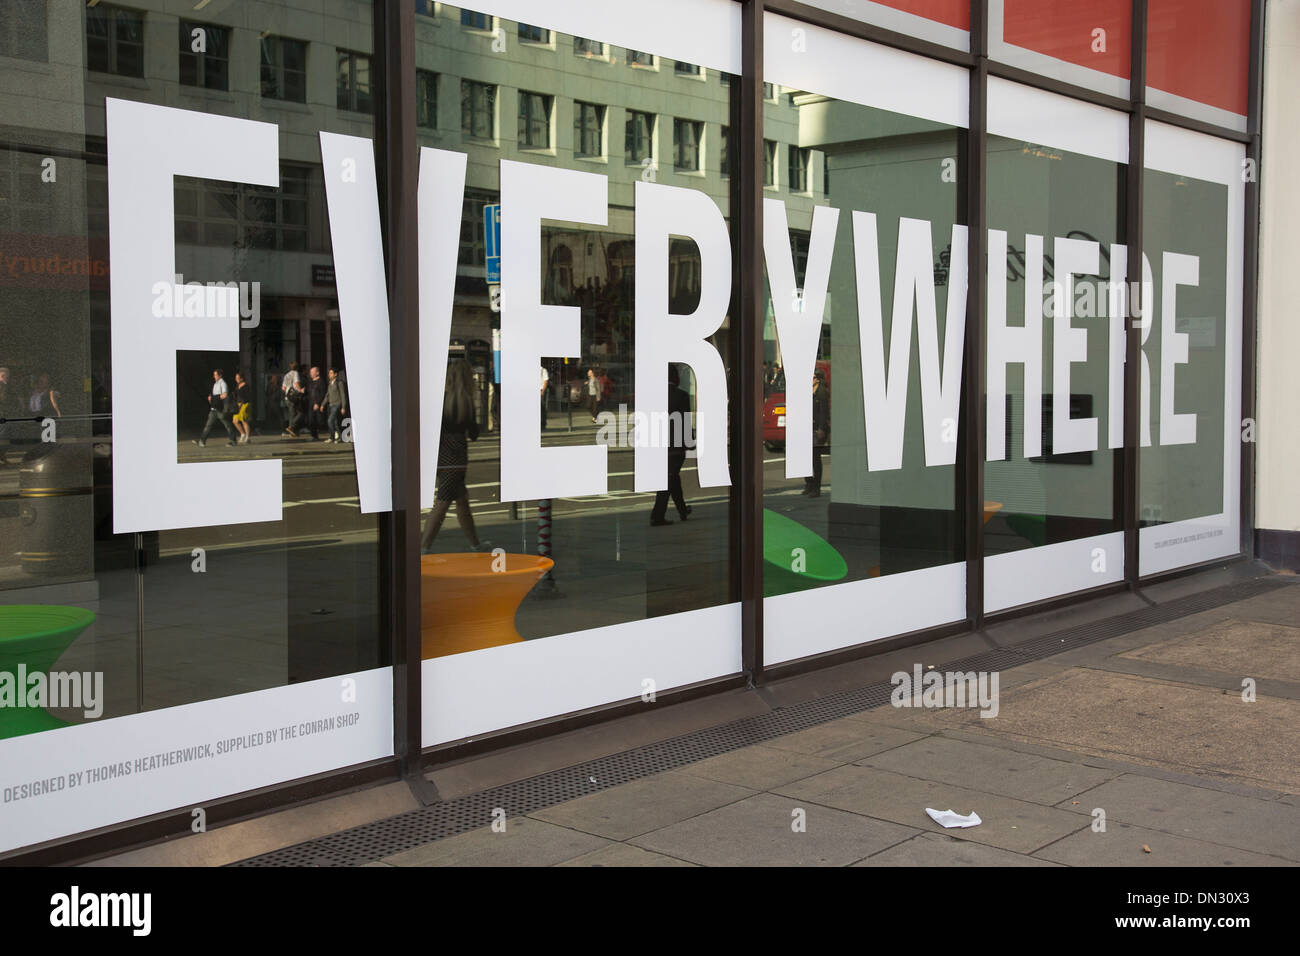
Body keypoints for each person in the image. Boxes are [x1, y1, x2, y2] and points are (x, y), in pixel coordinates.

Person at [420, 359, 482, 552]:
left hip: (442, 454)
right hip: (458, 455)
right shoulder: (466, 401)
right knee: (444, 501)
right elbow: (473, 434)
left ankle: (475, 544)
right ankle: (423, 547)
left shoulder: (441, 400)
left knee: (462, 500)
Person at [650, 365, 693, 526]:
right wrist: (690, 442)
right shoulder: (682, 395)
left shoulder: (655, 397)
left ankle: (683, 510)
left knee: (672, 477)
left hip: (658, 444)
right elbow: (685, 422)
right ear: (675, 377)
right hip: (676, 445)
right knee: (669, 478)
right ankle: (657, 515)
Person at [193, 368, 238, 448]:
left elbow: (225, 394)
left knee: (227, 424)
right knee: (208, 425)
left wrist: (214, 398)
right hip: (214, 409)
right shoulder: (216, 384)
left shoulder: (222, 383)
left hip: (220, 409)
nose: (214, 376)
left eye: (215, 375)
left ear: (220, 375)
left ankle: (233, 440)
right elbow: (215, 395)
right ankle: (202, 441)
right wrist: (211, 398)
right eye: (214, 375)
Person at [805, 368, 830, 498]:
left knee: (815, 457)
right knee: (804, 457)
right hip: (808, 427)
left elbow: (824, 412)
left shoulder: (821, 392)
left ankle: (816, 487)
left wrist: (821, 428)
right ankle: (809, 483)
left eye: (812, 377)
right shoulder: (809, 391)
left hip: (817, 428)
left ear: (818, 379)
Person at [323, 367, 348, 443]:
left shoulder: (339, 383)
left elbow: (343, 395)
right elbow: (327, 395)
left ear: (335, 374)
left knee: (330, 420)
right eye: (329, 373)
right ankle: (340, 437)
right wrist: (323, 404)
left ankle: (332, 437)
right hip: (331, 404)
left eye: (331, 373)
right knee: (336, 422)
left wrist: (343, 407)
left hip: (337, 404)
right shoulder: (330, 383)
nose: (329, 375)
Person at [282, 361, 304, 437]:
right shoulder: (295, 373)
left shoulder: (286, 375)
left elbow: (283, 388)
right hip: (294, 397)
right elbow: (297, 383)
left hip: (287, 397)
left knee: (292, 414)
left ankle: (293, 431)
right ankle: (291, 428)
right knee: (298, 413)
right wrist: (300, 390)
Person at [306, 366, 327, 441]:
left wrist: (317, 403)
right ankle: (314, 436)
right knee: (311, 420)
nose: (310, 374)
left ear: (317, 373)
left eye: (312, 372)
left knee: (319, 420)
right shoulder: (310, 382)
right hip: (311, 403)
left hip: (318, 404)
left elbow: (323, 393)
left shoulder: (321, 382)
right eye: (310, 372)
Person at [232, 371, 253, 444]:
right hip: (238, 404)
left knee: (244, 420)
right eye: (236, 378)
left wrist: (242, 403)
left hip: (245, 404)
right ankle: (242, 434)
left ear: (242, 378)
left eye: (238, 378)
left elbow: (247, 396)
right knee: (235, 421)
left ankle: (247, 437)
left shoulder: (246, 386)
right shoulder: (237, 386)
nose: (236, 379)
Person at [539, 364, 549, 429]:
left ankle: (543, 424)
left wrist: (543, 391)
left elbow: (546, 381)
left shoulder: (543, 370)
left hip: (540, 390)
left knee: (541, 407)